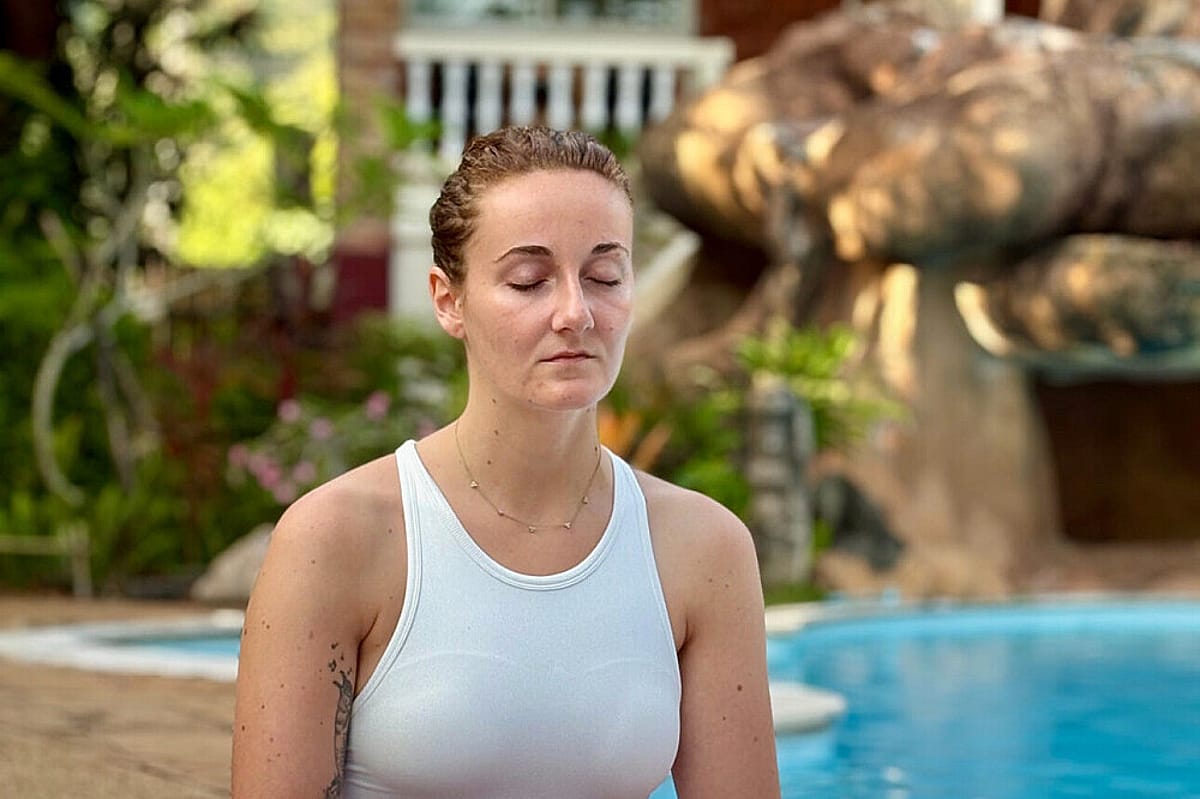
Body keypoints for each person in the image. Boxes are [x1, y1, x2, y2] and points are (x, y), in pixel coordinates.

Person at [231, 126, 780, 798]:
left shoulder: (703, 547)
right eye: (529, 280)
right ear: (447, 299)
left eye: (605, 275)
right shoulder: (337, 538)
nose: (575, 312)